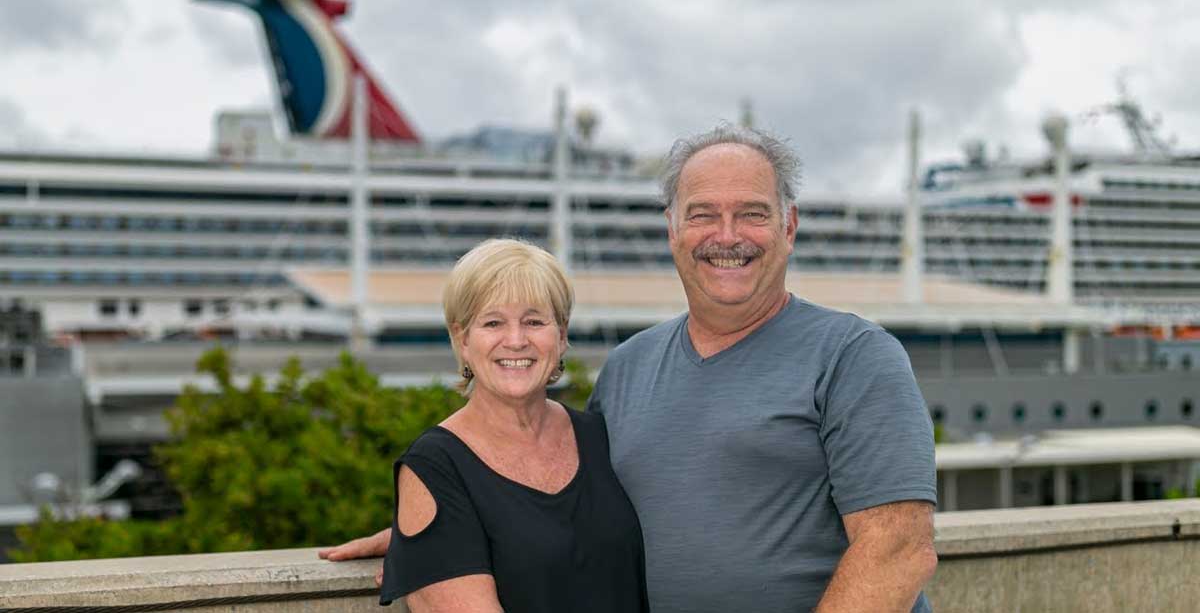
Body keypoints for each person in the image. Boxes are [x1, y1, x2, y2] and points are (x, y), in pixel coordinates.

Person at [322, 124, 937, 612]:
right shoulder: (630, 367)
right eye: (702, 214)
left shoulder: (854, 355)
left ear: (789, 226)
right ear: (672, 229)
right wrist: (434, 527)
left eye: (751, 212)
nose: (727, 235)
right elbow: (561, 494)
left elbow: (898, 551)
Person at [370, 238, 649, 612]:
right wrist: (423, 545)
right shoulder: (435, 468)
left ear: (561, 336)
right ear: (462, 339)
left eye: (534, 321)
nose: (516, 341)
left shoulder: (601, 435)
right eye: (493, 322)